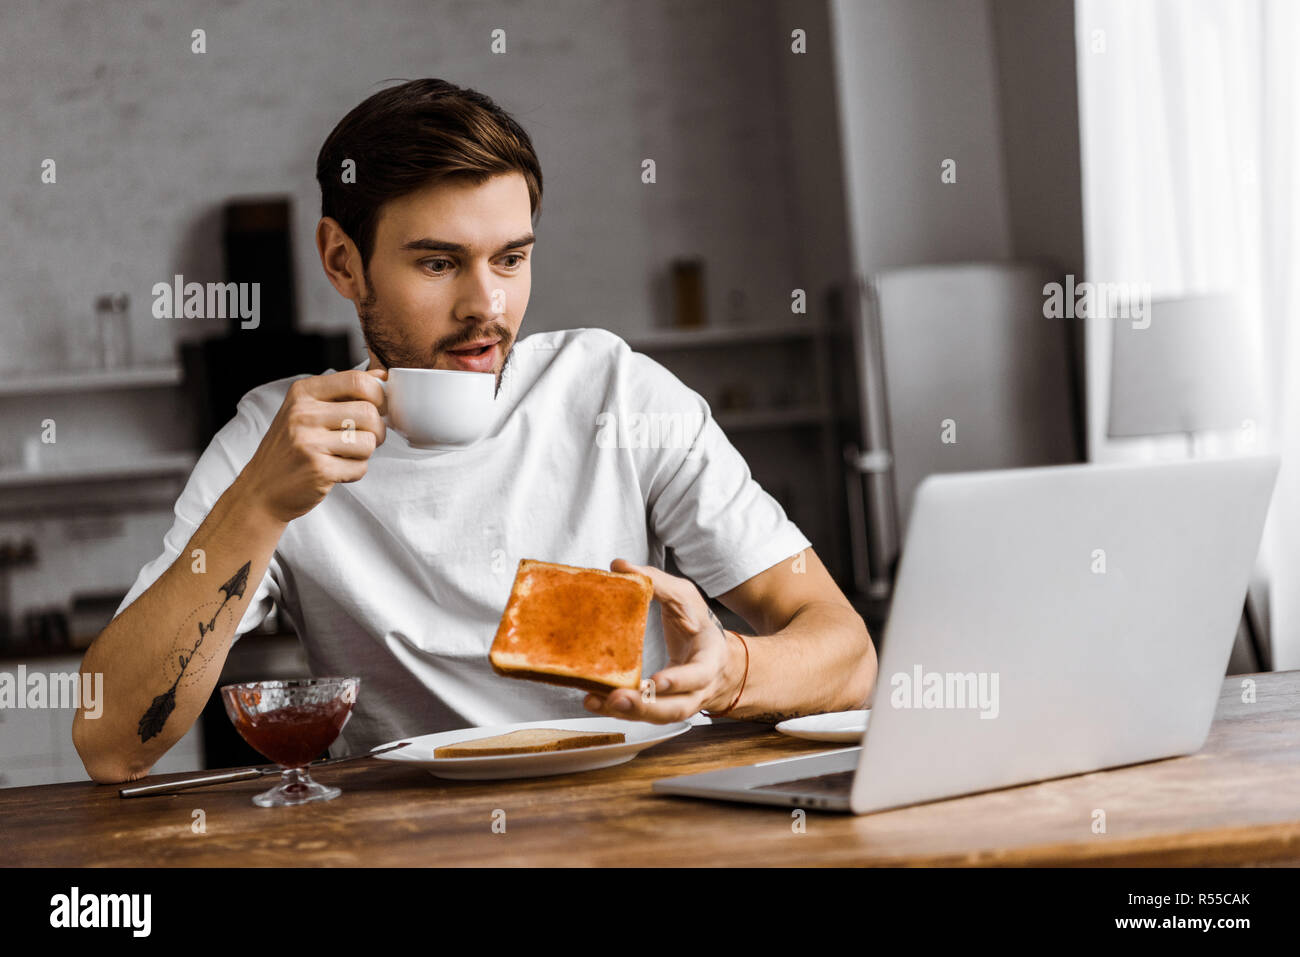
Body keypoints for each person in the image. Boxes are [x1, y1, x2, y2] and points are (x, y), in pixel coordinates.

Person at [72, 78, 876, 784]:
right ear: (343, 261)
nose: (485, 308)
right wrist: (260, 505)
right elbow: (111, 744)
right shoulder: (274, 440)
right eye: (438, 263)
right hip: (409, 838)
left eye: (511, 259)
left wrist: (725, 669)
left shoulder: (615, 391)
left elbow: (847, 652)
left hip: (648, 815)